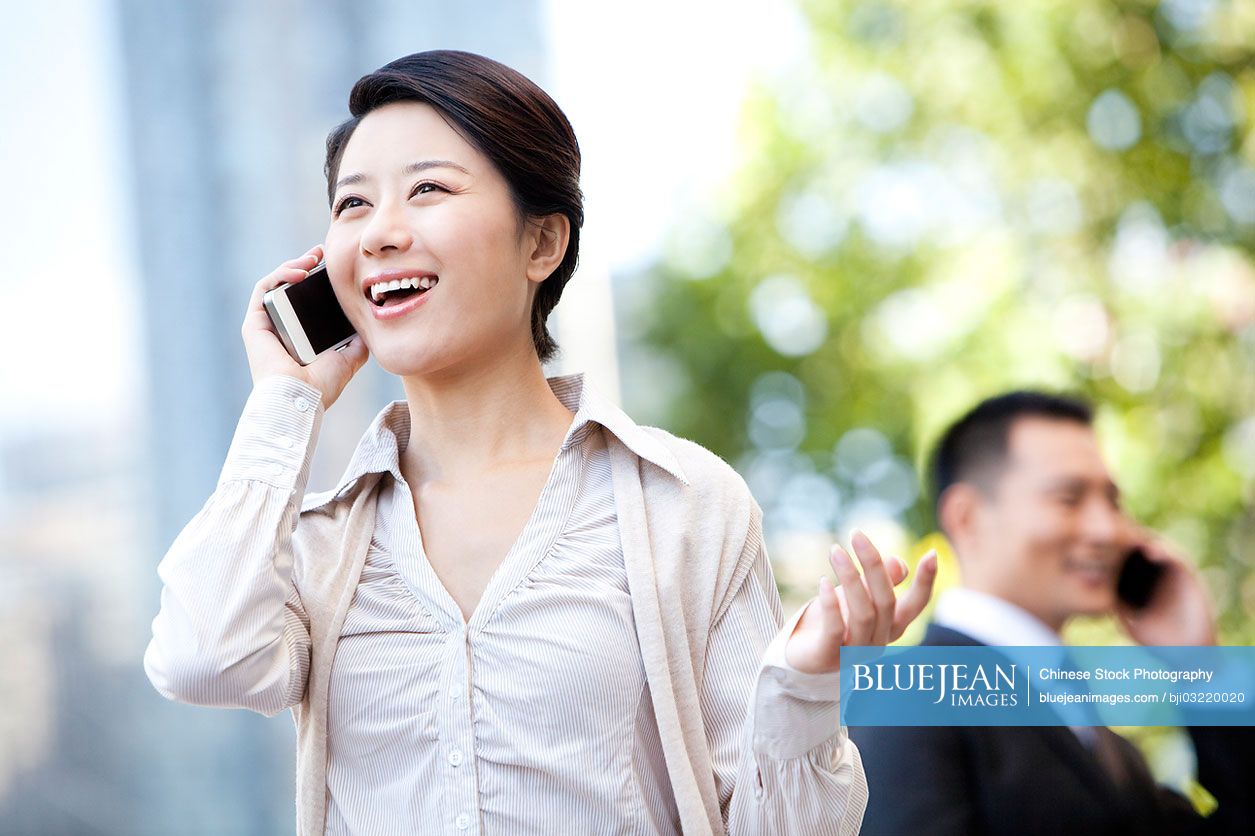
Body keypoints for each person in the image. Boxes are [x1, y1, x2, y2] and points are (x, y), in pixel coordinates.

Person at [142, 50, 938, 835]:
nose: (380, 232)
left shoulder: (681, 502)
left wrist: (804, 689)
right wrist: (286, 403)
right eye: (353, 205)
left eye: (427, 189)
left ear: (541, 245)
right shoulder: (319, 541)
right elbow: (202, 660)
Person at [851, 391, 1255, 836]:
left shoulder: (1107, 745)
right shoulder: (906, 698)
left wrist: (1202, 669)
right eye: (1069, 498)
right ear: (966, 517)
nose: (1108, 530)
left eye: (1113, 502)